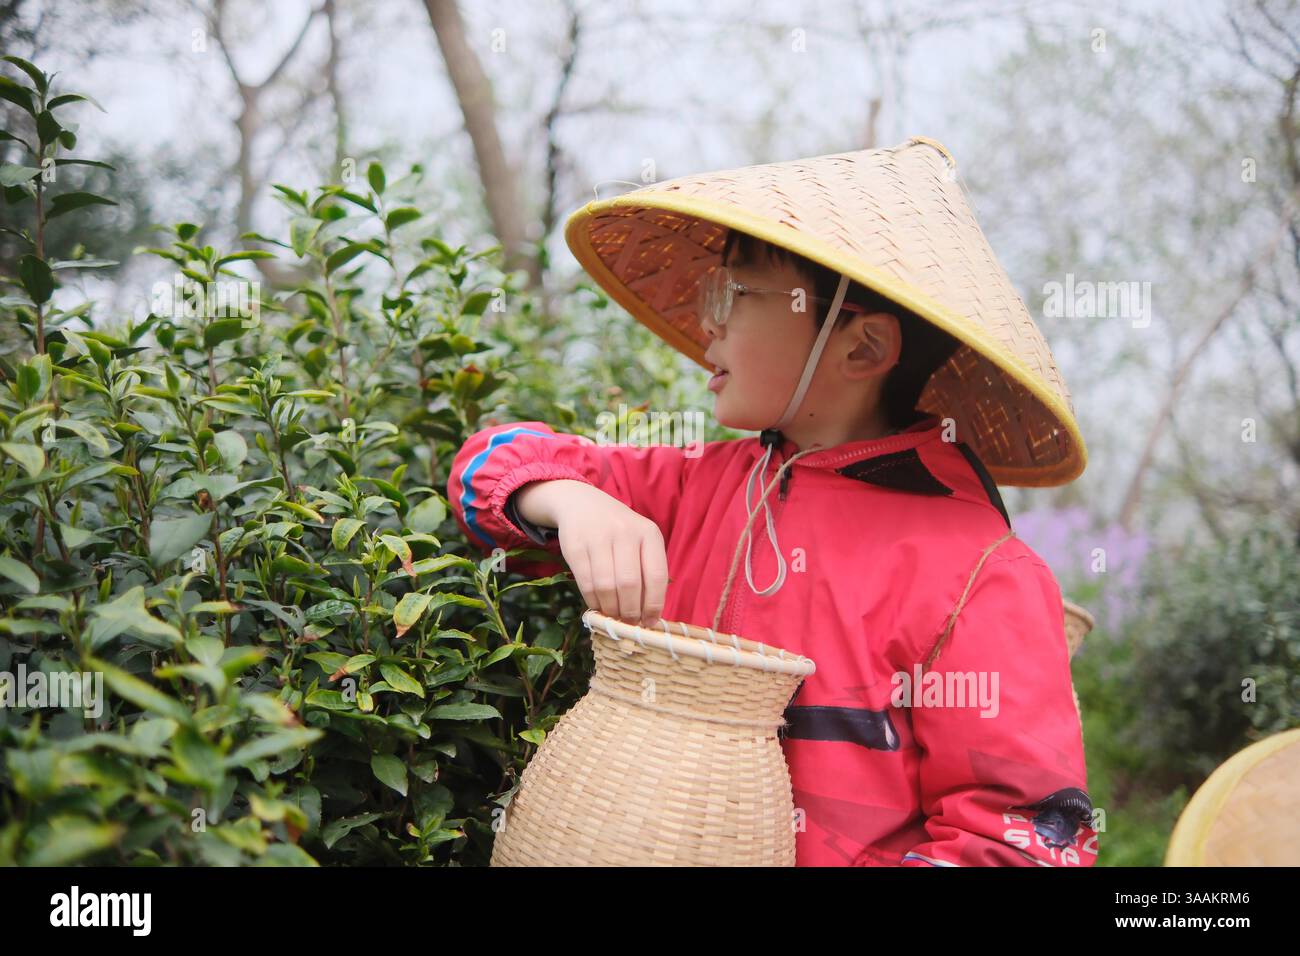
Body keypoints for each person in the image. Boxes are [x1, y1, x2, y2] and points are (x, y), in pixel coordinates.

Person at [447, 137, 1098, 866]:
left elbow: (1022, 839)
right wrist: (568, 498)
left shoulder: (980, 573)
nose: (708, 325)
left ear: (860, 349)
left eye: (736, 296)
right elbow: (485, 466)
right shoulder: (696, 484)